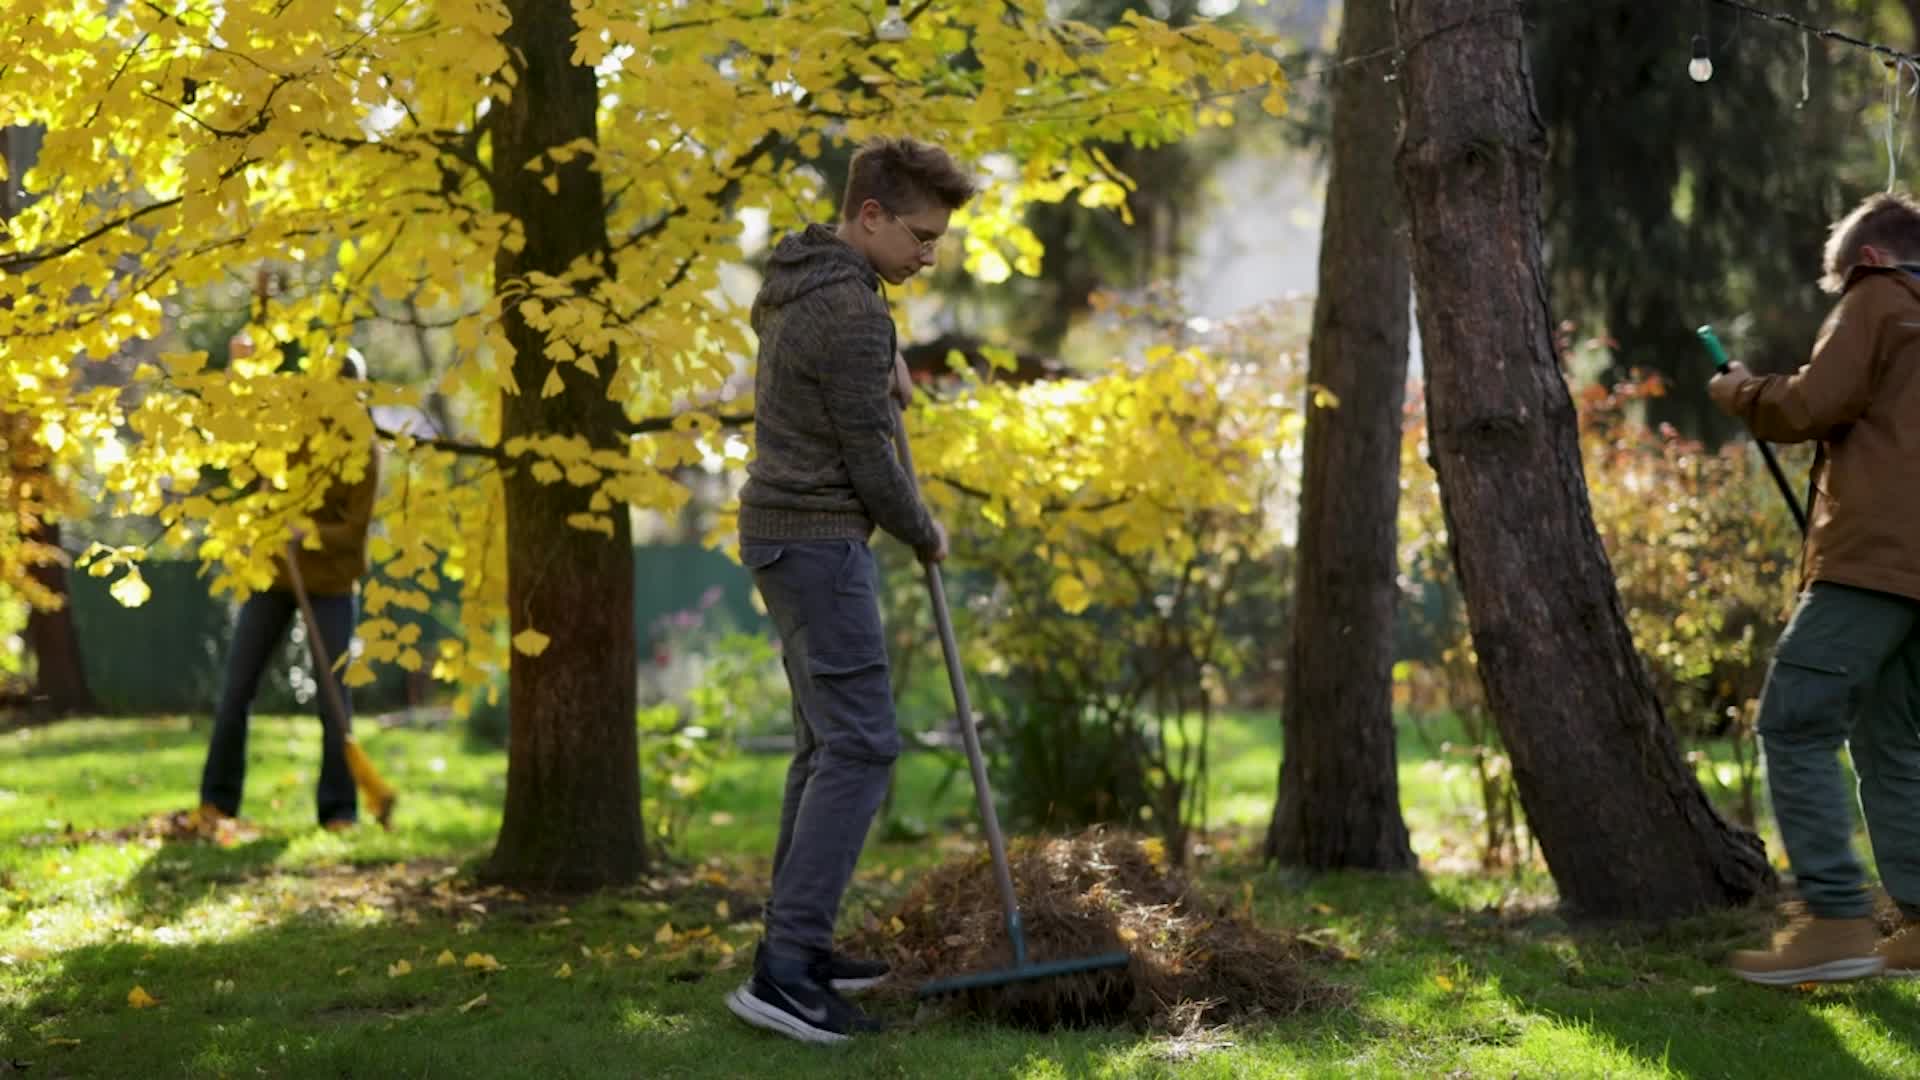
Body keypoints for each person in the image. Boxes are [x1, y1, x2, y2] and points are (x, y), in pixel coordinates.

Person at [725, 135, 975, 1043]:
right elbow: (871, 459)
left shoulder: (807, 282)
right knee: (863, 746)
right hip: (821, 540)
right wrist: (922, 528)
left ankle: (794, 949)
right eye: (919, 235)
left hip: (780, 536)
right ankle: (788, 972)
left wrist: (888, 354)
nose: (929, 253)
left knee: (821, 747)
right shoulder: (854, 313)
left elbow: (843, 370)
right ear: (869, 215)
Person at [1712, 190, 1920, 985]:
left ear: (1867, 259)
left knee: (1795, 720)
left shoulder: (1880, 297)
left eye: (1836, 285)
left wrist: (1739, 390)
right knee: (1891, 739)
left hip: (1874, 557)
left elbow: (1811, 402)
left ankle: (1835, 920)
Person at [197, 348, 379, 832]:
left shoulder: (363, 448)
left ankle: (339, 811)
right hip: (275, 577)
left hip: (334, 584)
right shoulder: (289, 430)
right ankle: (217, 804)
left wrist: (306, 533)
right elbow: (252, 443)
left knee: (332, 701)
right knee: (238, 689)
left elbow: (356, 531)